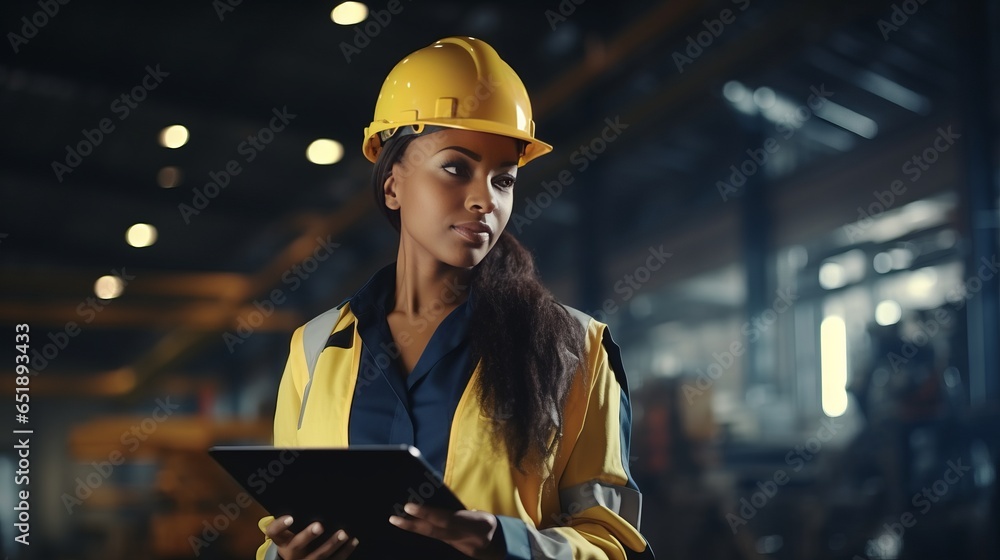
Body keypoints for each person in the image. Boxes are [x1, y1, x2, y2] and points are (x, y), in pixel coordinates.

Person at [255, 36, 653, 560]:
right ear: (392, 186)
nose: (484, 199)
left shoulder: (574, 348)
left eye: (504, 179)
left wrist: (503, 544)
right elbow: (280, 529)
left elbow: (614, 543)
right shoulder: (315, 347)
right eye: (455, 167)